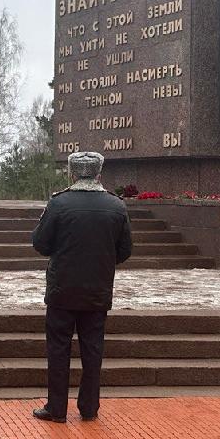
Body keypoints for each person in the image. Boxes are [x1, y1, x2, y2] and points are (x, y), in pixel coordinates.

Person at [31, 151, 132, 423]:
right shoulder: (116, 206)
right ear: (99, 173)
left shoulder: (59, 203)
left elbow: (40, 243)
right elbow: (124, 251)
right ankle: (89, 408)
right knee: (93, 350)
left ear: (72, 173)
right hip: (97, 291)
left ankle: (56, 409)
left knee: (58, 350)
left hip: (62, 290)